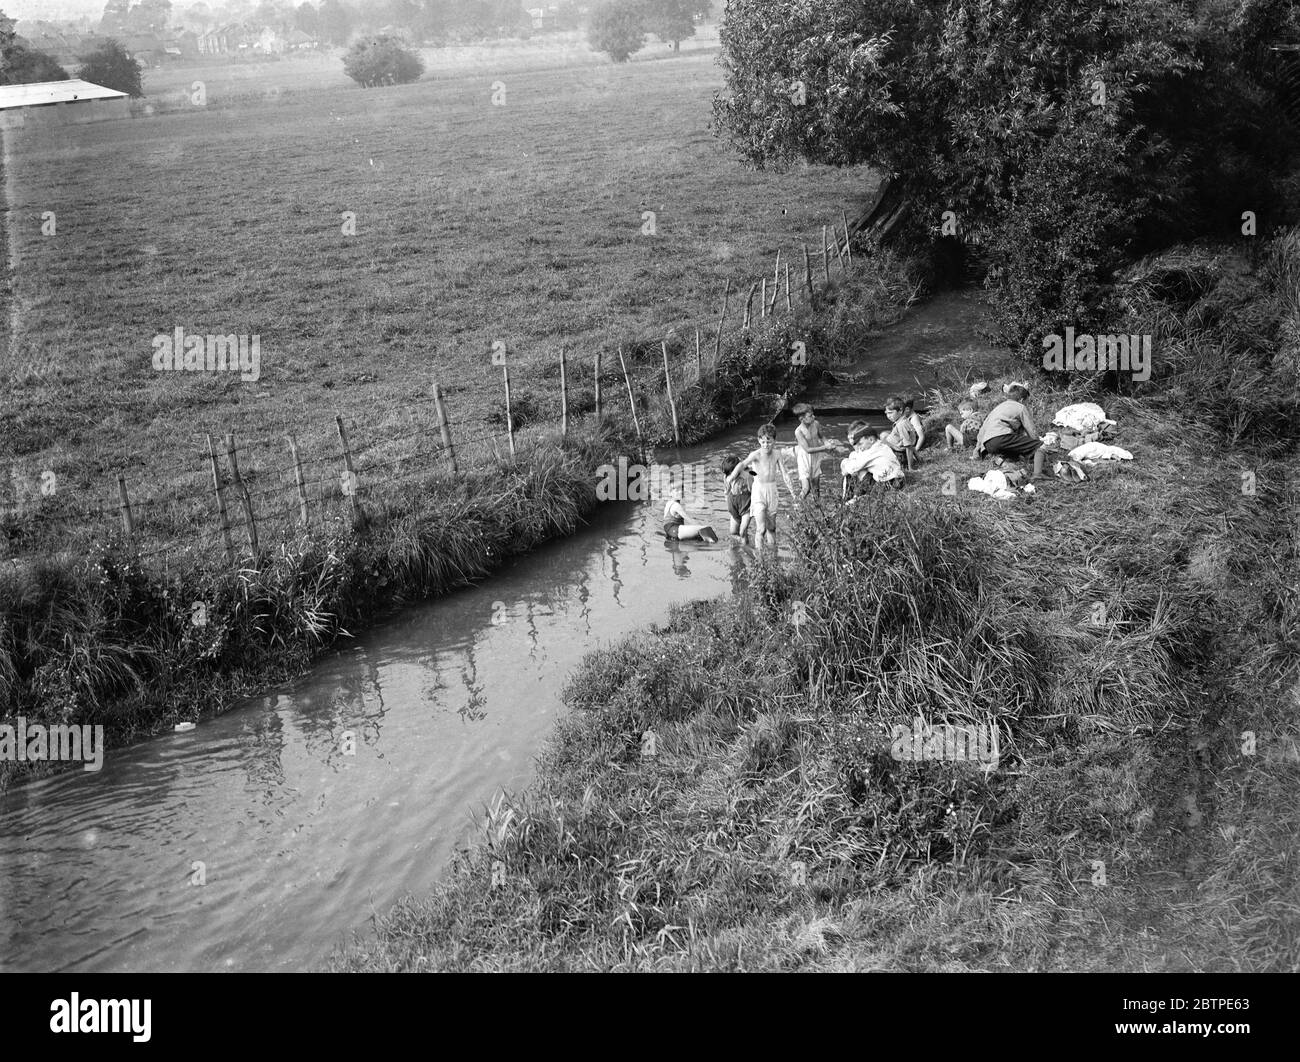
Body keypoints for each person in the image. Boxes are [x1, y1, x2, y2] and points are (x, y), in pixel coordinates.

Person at [726, 423, 797, 549]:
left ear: (774, 440)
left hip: (772, 490)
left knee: (772, 527)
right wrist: (731, 477)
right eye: (763, 442)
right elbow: (742, 465)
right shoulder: (756, 454)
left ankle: (772, 554)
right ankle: (760, 558)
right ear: (759, 440)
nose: (766, 445)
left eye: (768, 442)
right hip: (759, 490)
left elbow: (785, 474)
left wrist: (793, 493)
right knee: (761, 528)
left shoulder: (777, 454)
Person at [975, 384, 1046, 479]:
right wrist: (1036, 442)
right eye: (1026, 402)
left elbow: (983, 429)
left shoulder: (998, 408)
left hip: (988, 444)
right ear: (1021, 400)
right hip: (1002, 438)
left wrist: (977, 449)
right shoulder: (1020, 407)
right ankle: (1038, 474)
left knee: (1016, 453)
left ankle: (999, 460)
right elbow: (1031, 429)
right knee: (1040, 446)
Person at [792, 403, 843, 499]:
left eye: (813, 414)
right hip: (805, 458)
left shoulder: (816, 423)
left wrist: (827, 442)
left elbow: (821, 436)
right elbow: (807, 450)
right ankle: (797, 507)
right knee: (806, 489)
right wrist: (825, 448)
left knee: (816, 488)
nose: (813, 417)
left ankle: (817, 509)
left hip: (816, 456)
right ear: (802, 419)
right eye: (810, 416)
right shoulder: (798, 431)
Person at [841, 425, 904, 496]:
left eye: (861, 444)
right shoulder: (882, 446)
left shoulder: (871, 452)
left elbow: (851, 468)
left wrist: (844, 464)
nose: (860, 448)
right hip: (899, 480)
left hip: (888, 484)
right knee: (859, 467)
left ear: (871, 440)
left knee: (854, 469)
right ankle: (855, 496)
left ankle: (847, 498)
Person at [722, 452, 754, 541]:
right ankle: (739, 546)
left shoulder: (747, 476)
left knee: (743, 531)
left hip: (746, 504)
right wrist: (726, 498)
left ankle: (745, 546)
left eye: (732, 473)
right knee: (733, 532)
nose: (729, 476)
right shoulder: (726, 476)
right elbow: (727, 490)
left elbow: (753, 490)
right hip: (733, 504)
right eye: (727, 474)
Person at [883, 396, 919, 470]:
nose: (888, 416)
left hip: (898, 455)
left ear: (900, 411)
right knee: (883, 436)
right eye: (886, 413)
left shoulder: (902, 425)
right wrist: (919, 459)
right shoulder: (901, 421)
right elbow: (911, 444)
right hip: (895, 449)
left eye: (890, 413)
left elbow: (909, 446)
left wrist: (910, 468)